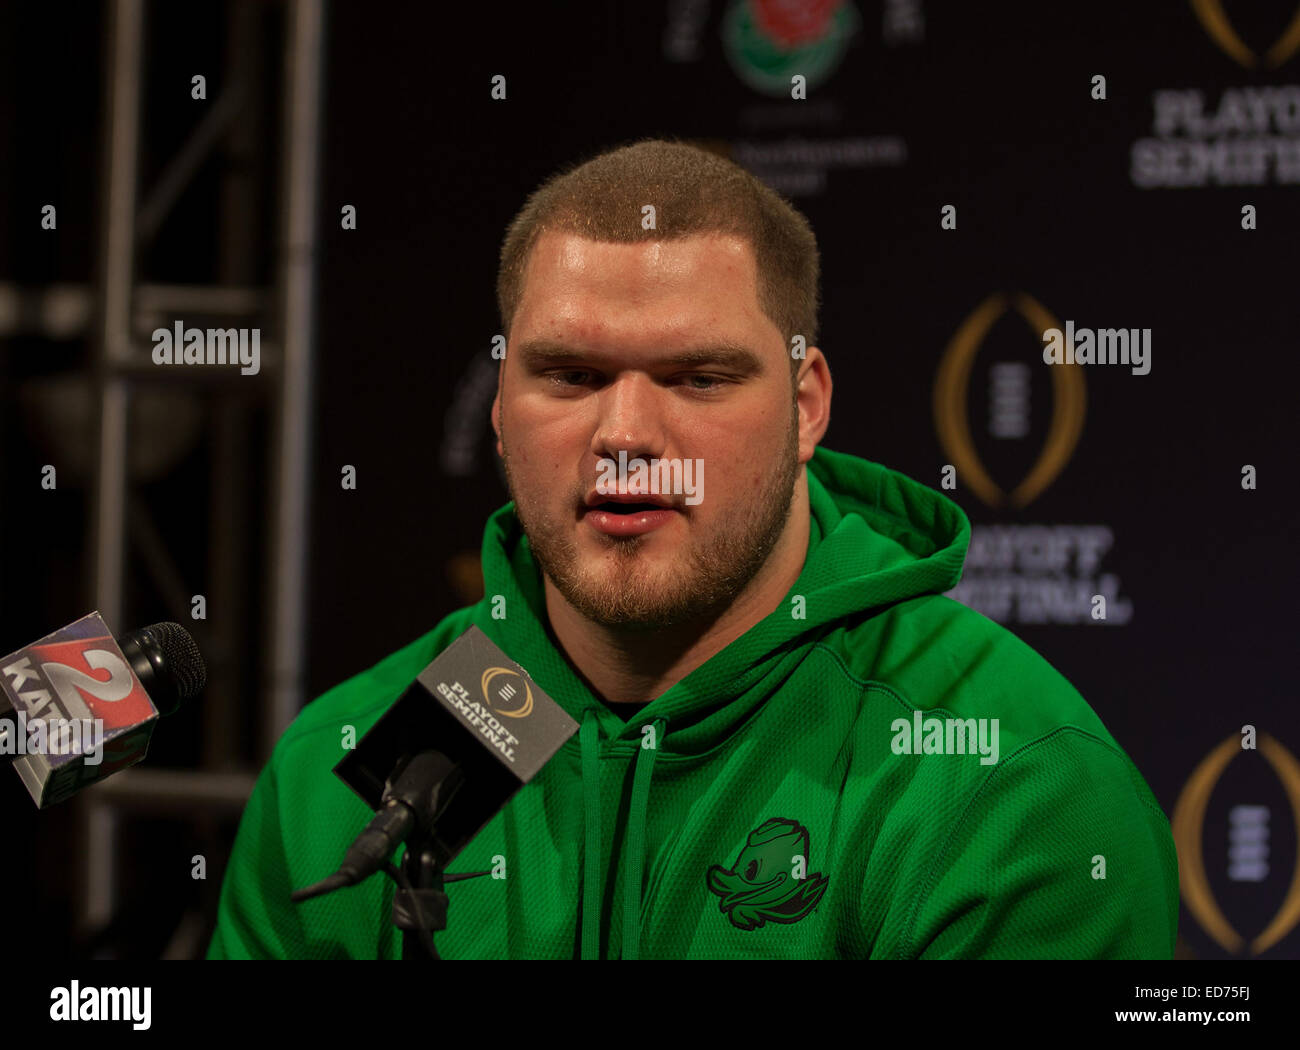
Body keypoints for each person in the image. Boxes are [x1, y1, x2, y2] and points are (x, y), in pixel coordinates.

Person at [207, 138, 1178, 959]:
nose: (626, 433)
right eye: (572, 373)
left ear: (804, 408)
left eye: (698, 377)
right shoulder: (342, 772)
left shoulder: (1016, 787)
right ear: (500, 410)